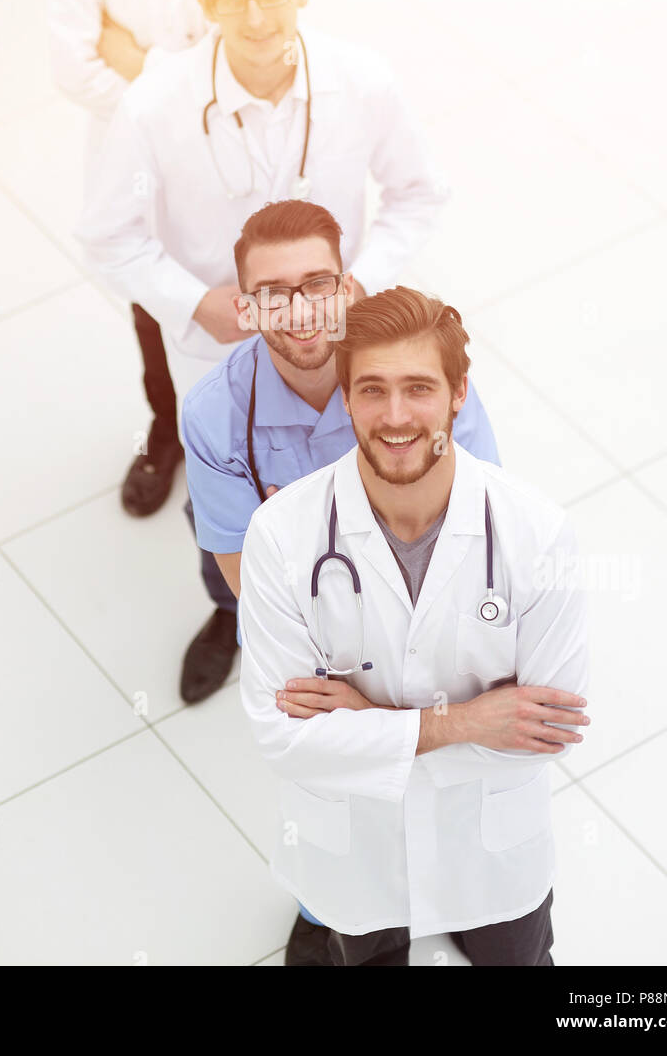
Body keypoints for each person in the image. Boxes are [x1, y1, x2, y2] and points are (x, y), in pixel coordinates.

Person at [76, 0, 449, 697]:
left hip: (342, 343)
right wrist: (196, 302)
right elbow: (108, 236)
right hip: (222, 351)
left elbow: (418, 193)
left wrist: (361, 283)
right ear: (206, 9)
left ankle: (371, 607)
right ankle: (232, 612)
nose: (257, 16)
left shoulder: (363, 82)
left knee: (360, 473)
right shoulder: (154, 106)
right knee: (229, 501)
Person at [181, 201, 500, 964]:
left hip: (430, 618)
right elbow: (250, 582)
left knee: (450, 778)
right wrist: (350, 694)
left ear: (349, 285)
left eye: (317, 283)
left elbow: (481, 524)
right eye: (273, 291)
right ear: (246, 303)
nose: (299, 311)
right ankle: (324, 910)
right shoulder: (217, 415)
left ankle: (451, 889)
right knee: (335, 807)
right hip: (314, 650)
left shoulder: (412, 377)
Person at [238, 286, 590, 966]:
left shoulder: (536, 533)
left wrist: (364, 727)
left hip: (491, 844)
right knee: (367, 952)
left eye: (418, 388)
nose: (394, 417)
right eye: (371, 390)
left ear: (460, 393)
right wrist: (460, 723)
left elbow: (549, 734)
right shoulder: (283, 536)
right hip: (356, 846)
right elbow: (281, 735)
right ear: (345, 399)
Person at [50, 0, 265, 518]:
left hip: (237, 152)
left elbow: (256, 58)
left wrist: (136, 59)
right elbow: (70, 65)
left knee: (242, 295)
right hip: (133, 161)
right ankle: (167, 431)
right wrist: (179, 82)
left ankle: (249, 438)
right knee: (148, 295)